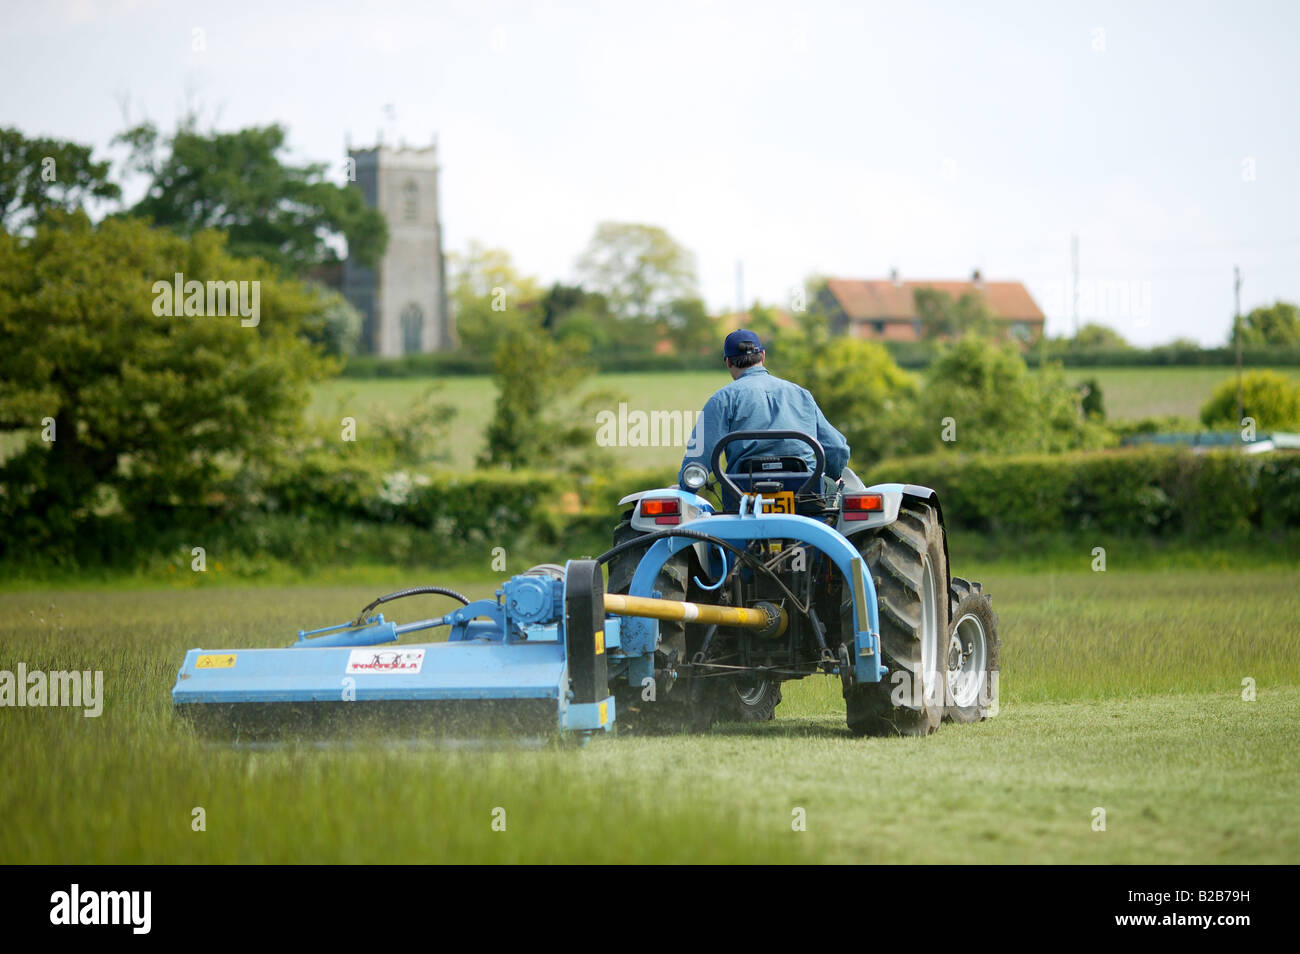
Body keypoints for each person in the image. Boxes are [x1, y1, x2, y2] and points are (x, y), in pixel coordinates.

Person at [678, 329, 850, 490]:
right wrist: (831, 477)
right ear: (763, 356)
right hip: (807, 495)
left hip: (741, 497)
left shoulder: (721, 400)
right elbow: (837, 448)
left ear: (728, 362)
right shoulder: (801, 394)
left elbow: (699, 458)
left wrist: (686, 487)